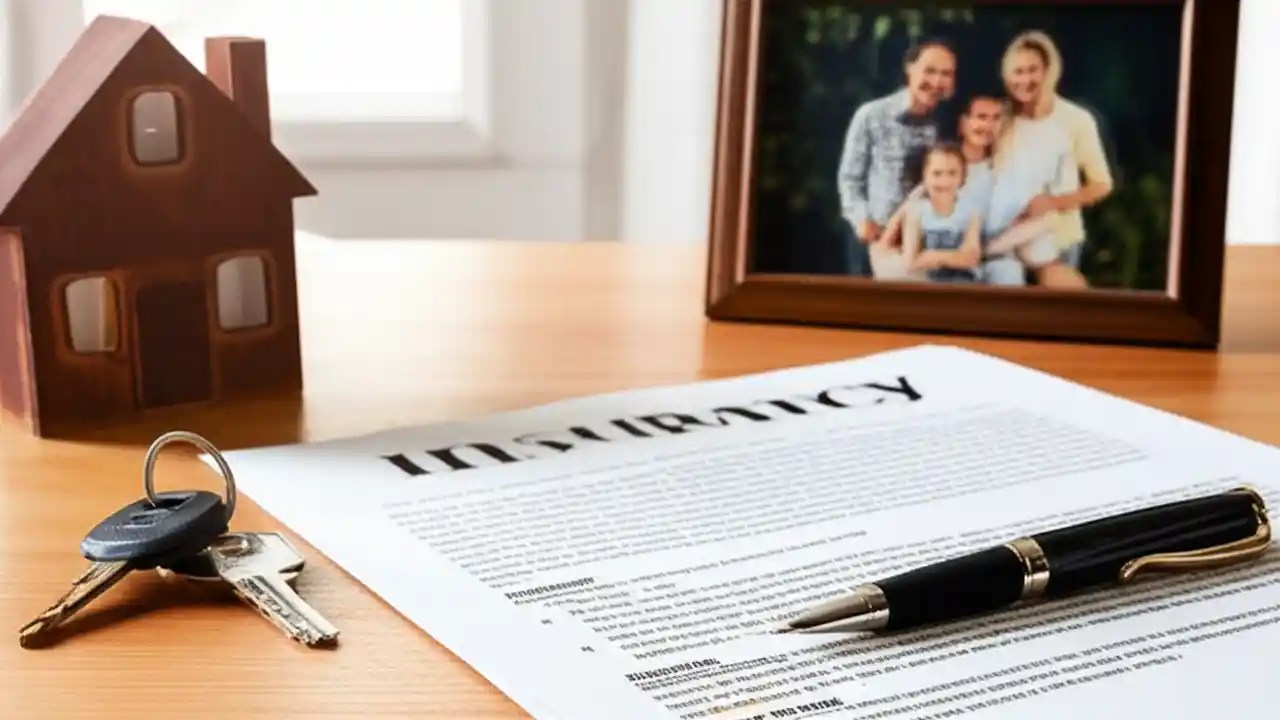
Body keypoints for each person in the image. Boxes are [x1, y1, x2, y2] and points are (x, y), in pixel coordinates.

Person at [995, 30, 1113, 287]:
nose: (1025, 80)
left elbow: (1101, 184)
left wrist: (1052, 202)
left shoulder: (1076, 119)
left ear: (1049, 70)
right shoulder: (1000, 118)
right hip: (1004, 243)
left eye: (1032, 70)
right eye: (1018, 71)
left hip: (1058, 242)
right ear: (1006, 75)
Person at [837, 39, 956, 277]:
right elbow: (850, 178)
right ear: (910, 69)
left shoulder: (948, 122)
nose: (936, 81)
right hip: (873, 234)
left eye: (946, 74)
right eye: (929, 71)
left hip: (923, 241)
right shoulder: (872, 114)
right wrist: (861, 220)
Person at [900, 144, 982, 284]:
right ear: (925, 177)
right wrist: (954, 257)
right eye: (937, 173)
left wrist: (930, 256)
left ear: (962, 177)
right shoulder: (916, 211)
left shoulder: (971, 210)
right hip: (928, 284)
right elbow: (910, 262)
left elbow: (971, 258)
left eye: (952, 173)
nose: (945, 181)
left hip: (965, 281)